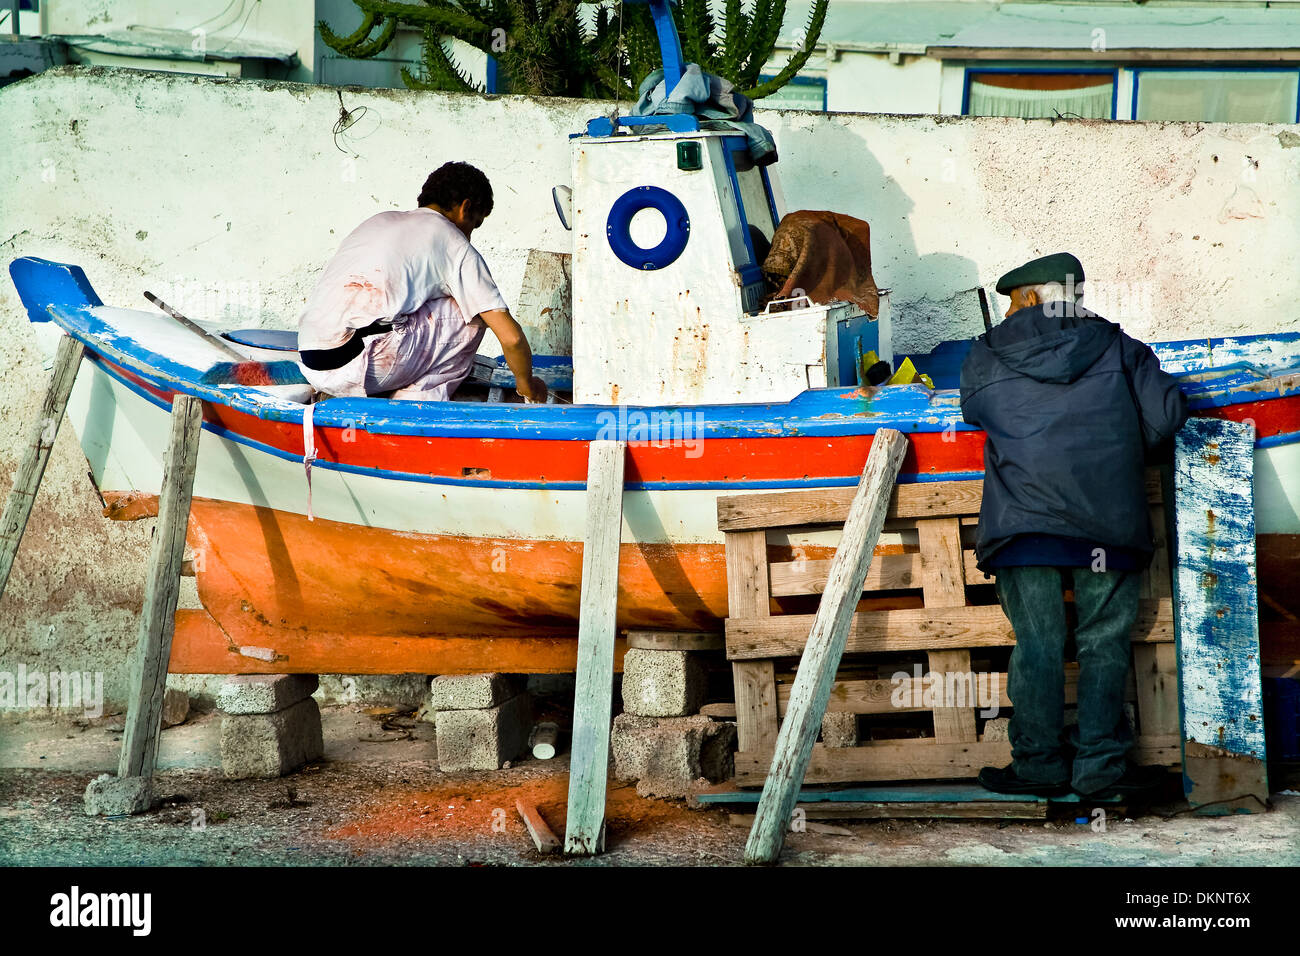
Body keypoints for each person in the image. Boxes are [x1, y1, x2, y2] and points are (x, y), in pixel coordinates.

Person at [959, 252, 1188, 800]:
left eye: (1014, 302)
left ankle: (1038, 765)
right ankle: (1098, 771)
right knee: (1104, 643)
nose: (1012, 313)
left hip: (1023, 526)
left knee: (1037, 642)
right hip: (1107, 524)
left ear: (1033, 297)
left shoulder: (986, 355)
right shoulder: (1120, 346)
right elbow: (1167, 418)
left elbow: (975, 412)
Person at [296, 161, 546, 403]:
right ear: (465, 208)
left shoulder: (379, 221)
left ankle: (397, 389)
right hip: (358, 364)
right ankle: (417, 404)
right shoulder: (452, 241)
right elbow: (511, 338)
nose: (470, 235)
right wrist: (527, 386)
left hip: (313, 359)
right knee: (473, 314)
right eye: (474, 224)